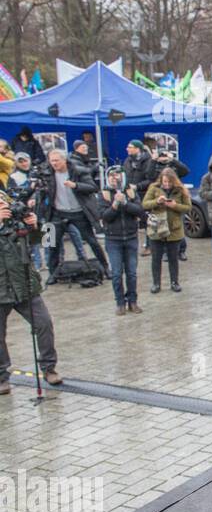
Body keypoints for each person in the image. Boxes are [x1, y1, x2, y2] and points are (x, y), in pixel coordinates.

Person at [0, 189, 61, 394]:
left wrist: (35, 225)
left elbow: (47, 241)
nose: (3, 208)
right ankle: (1, 376)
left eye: (4, 204)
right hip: (0, 290)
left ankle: (49, 368)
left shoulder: (16, 222)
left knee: (44, 323)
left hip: (25, 285)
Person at [44, 149, 109, 283]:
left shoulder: (78, 170)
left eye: (57, 160)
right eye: (52, 161)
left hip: (78, 212)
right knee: (51, 244)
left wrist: (75, 185)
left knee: (92, 241)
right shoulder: (47, 173)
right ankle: (53, 273)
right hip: (56, 212)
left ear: (64, 160)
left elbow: (93, 187)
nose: (54, 163)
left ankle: (106, 267)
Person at [99, 166, 145, 315]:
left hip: (131, 237)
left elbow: (139, 211)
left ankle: (133, 301)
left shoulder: (131, 192)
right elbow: (104, 216)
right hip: (113, 239)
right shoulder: (104, 194)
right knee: (117, 273)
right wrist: (114, 205)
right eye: (111, 176)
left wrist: (125, 203)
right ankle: (120, 302)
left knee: (131, 273)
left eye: (117, 175)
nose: (114, 178)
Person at [142, 167, 190, 293]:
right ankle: (156, 284)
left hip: (174, 229)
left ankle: (174, 282)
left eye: (169, 182)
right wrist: (157, 202)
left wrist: (175, 206)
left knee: (173, 258)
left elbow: (188, 207)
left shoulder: (180, 190)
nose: (167, 185)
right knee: (156, 258)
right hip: (157, 228)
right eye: (165, 182)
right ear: (161, 180)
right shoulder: (154, 188)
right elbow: (144, 204)